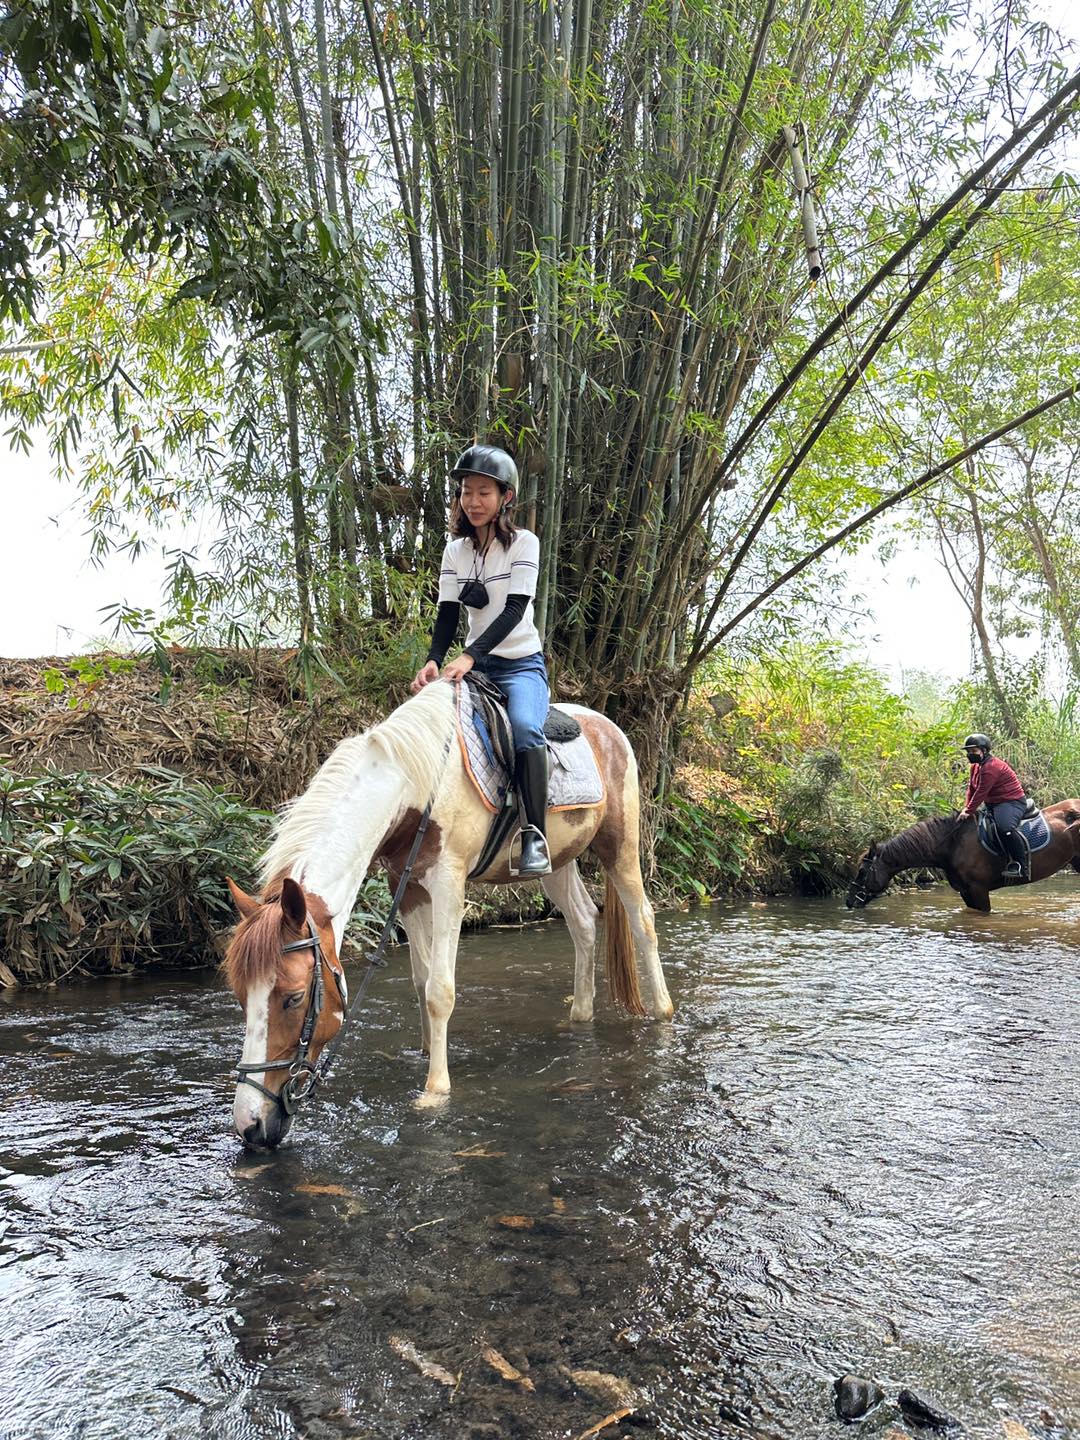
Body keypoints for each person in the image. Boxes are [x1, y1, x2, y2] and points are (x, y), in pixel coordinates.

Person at [411, 443, 552, 877]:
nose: (472, 501)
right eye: (466, 491)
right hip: (474, 666)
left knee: (526, 729)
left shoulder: (524, 544)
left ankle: (534, 835)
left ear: (505, 497)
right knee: (430, 724)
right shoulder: (455, 552)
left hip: (519, 664)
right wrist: (434, 660)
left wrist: (470, 656)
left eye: (484, 492)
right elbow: (448, 614)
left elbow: (513, 611)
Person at [957, 732, 1029, 882]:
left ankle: (1021, 865)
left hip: (1011, 802)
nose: (971, 754)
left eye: (974, 751)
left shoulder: (992, 767)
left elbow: (982, 792)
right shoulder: (975, 767)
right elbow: (972, 789)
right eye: (969, 752)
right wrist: (966, 808)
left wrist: (970, 810)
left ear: (984, 750)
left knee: (1005, 828)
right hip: (993, 803)